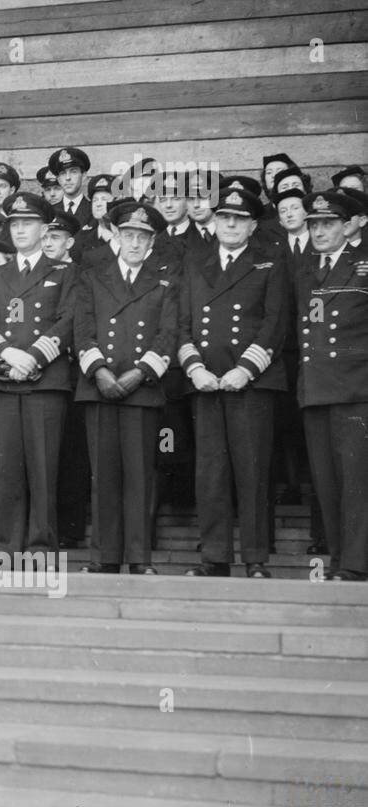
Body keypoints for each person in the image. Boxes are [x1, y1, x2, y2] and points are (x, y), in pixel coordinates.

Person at [175, 188, 289, 579]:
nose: (231, 224)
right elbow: (182, 324)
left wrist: (245, 369)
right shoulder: (195, 262)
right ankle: (215, 557)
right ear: (215, 220)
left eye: (240, 219)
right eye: (225, 217)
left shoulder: (269, 263)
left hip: (251, 384)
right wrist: (194, 369)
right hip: (206, 382)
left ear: (253, 225)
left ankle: (256, 559)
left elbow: (275, 324)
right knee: (210, 473)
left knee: (252, 472)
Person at [73, 202, 180, 574]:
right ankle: (103, 558)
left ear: (151, 243)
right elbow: (82, 330)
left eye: (143, 237)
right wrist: (100, 371)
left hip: (142, 388)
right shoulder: (91, 277)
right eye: (129, 235)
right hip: (98, 386)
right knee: (103, 475)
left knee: (138, 475)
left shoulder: (165, 280)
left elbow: (169, 333)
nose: (135, 242)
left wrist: (140, 373)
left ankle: (138, 558)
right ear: (116, 236)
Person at [0, 193, 75, 554]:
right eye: (14, 224)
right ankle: (5, 546)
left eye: (27, 223)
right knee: (6, 468)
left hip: (45, 381)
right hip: (1, 379)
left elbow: (68, 320)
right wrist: (9, 353)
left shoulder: (64, 271)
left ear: (45, 229)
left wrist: (32, 357)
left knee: (43, 468)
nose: (19, 230)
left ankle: (41, 545)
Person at [291, 191, 368, 581]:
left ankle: (356, 564)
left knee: (356, 481)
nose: (319, 231)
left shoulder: (363, 266)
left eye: (328, 224)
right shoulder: (304, 269)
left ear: (349, 226)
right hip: (316, 389)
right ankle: (339, 560)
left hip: (356, 390)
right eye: (314, 225)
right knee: (326, 482)